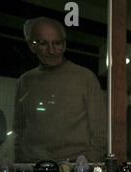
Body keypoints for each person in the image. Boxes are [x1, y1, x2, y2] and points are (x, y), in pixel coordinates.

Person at [13, 17, 107, 163]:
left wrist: (86, 167)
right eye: (43, 43)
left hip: (76, 167)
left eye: (57, 43)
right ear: (32, 46)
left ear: (64, 45)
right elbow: (18, 130)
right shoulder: (25, 81)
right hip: (34, 167)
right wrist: (22, 165)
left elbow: (100, 133)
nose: (51, 51)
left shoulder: (85, 77)